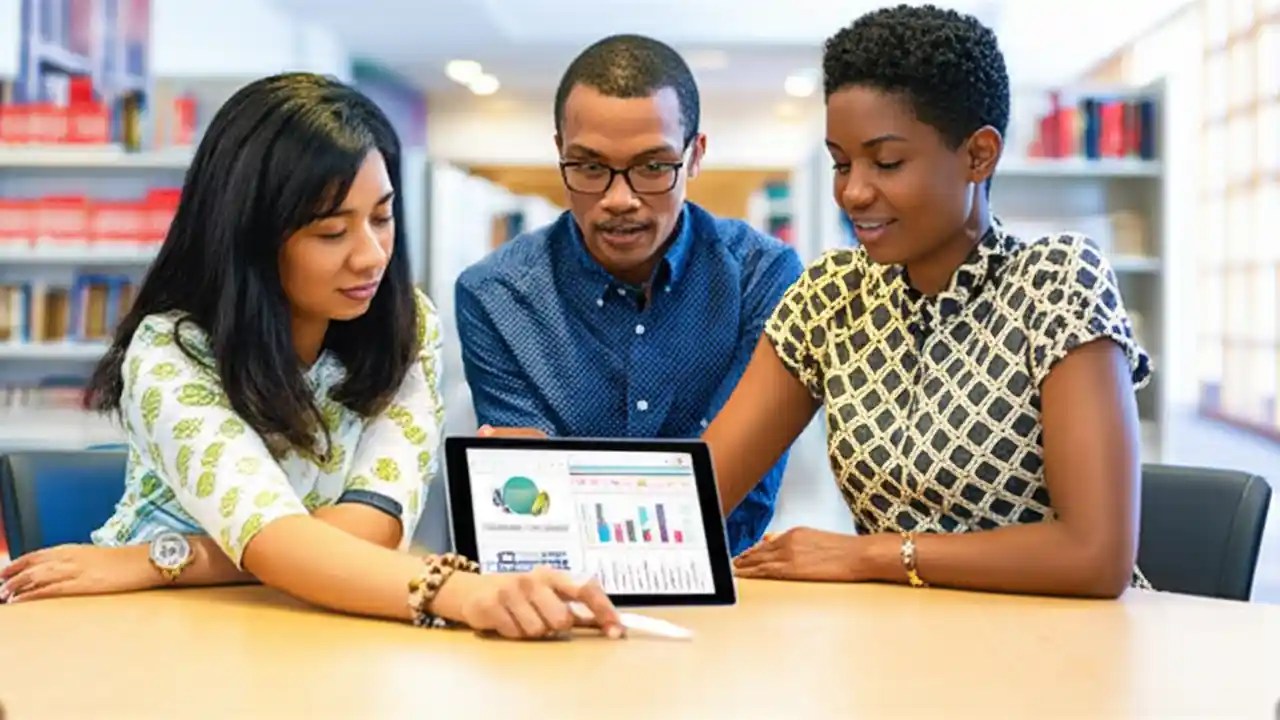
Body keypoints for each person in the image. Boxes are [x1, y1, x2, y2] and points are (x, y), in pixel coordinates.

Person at [0, 73, 623, 640]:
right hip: (153, 629)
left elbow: (375, 524)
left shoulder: (408, 325)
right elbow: (277, 543)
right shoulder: (172, 351)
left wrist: (170, 559)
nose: (371, 255)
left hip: (308, 614)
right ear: (249, 235)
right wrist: (463, 592)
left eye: (382, 218)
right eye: (332, 232)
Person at [708, 4, 1153, 598]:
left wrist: (869, 554)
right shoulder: (832, 295)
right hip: (904, 650)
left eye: (887, 162)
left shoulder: (1055, 282)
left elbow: (1095, 558)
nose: (854, 192)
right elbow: (698, 493)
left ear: (979, 155)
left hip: (1067, 650)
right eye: (842, 163)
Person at [456, 34, 804, 557]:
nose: (620, 200)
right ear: (560, 154)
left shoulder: (762, 276)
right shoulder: (496, 295)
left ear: (695, 156)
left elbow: (733, 494)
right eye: (591, 168)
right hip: (557, 594)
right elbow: (528, 510)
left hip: (735, 589)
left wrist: (575, 488)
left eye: (652, 167)